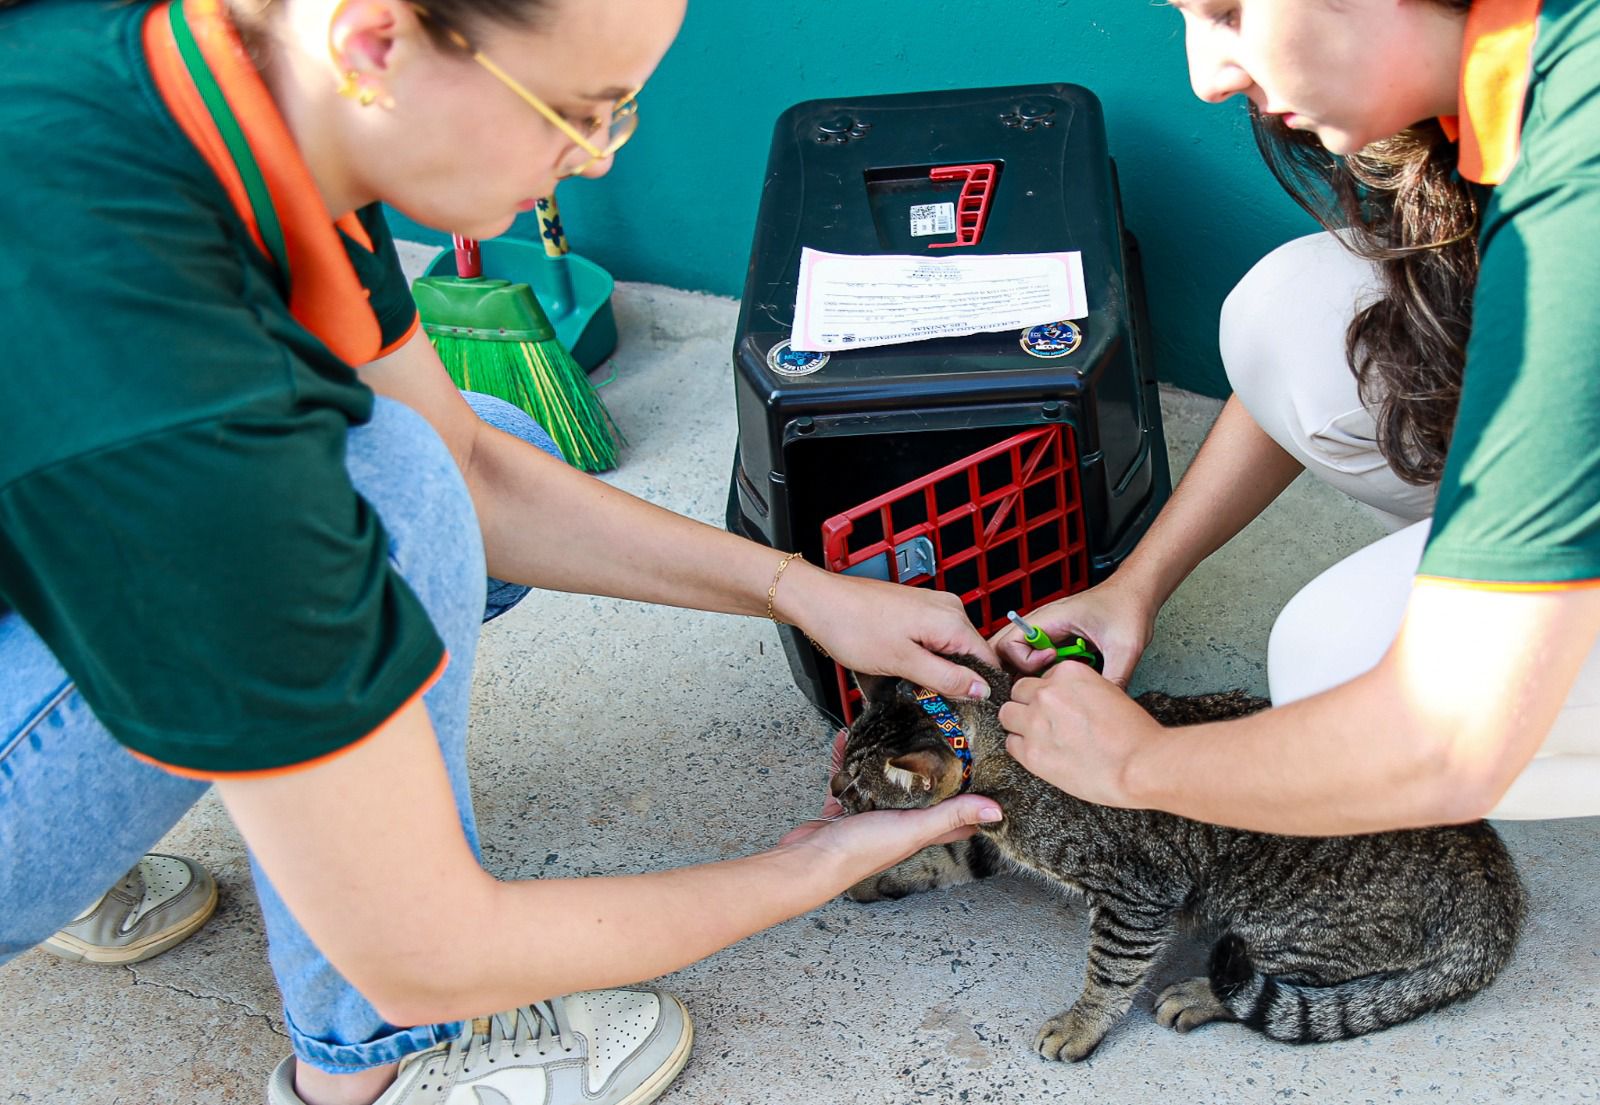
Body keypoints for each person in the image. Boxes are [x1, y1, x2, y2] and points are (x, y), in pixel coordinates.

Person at [0, 0, 1008, 1103]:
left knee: (457, 445)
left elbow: (478, 467)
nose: (588, 158)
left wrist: (799, 589)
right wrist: (802, 866)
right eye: (574, 113)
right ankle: (376, 1064)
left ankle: (87, 832)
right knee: (381, 494)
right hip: (135, 477)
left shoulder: (219, 82)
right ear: (373, 39)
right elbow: (428, 950)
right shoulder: (177, 388)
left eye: (621, 113)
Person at [996, 0, 1600, 833]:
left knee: (1338, 663)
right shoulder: (1510, 69)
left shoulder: (1582, 189)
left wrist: (1136, 764)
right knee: (1292, 314)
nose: (1208, 80)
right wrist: (1134, 587)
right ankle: (1502, 580)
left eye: (1230, 12)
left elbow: (1442, 743)